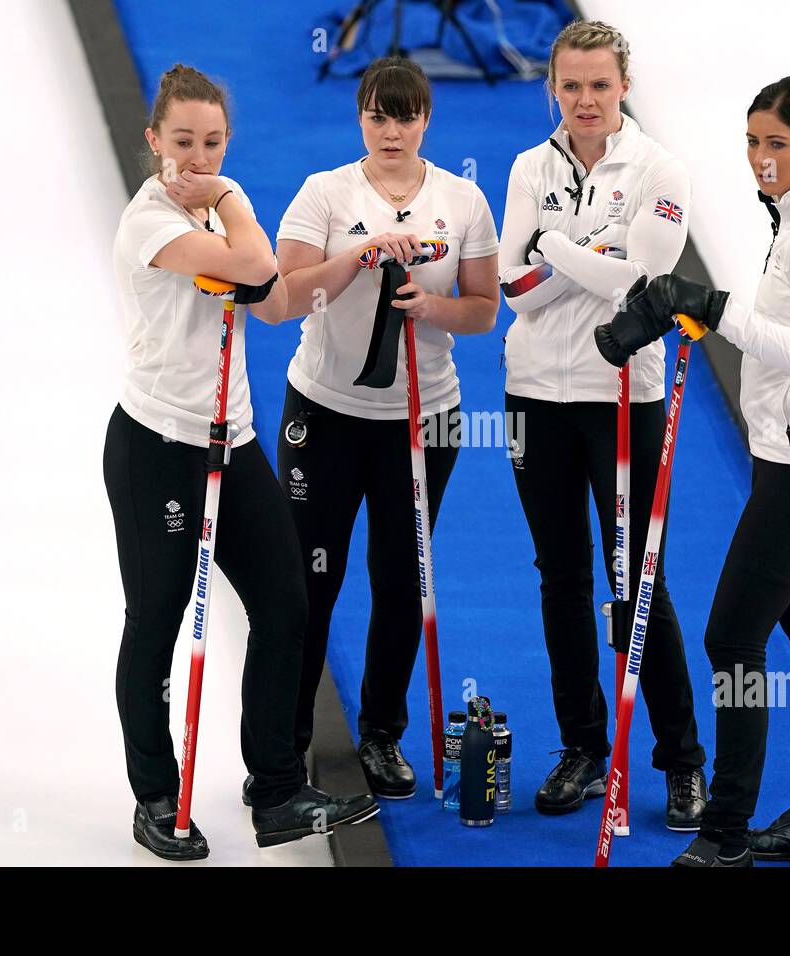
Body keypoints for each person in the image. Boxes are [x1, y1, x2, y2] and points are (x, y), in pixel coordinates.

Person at [596, 75, 790, 867]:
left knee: (733, 638)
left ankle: (725, 833)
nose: (760, 158)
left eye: (777, 145)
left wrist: (710, 303)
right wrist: (713, 305)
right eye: (753, 142)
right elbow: (782, 333)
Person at [103, 64, 377, 860]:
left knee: (286, 606)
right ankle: (155, 794)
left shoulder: (225, 210)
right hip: (158, 447)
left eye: (213, 142)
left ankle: (278, 787)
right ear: (154, 139)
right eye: (182, 141)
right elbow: (254, 268)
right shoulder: (151, 221)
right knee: (154, 626)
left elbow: (273, 299)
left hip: (236, 440)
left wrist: (350, 265)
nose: (197, 155)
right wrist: (228, 200)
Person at [498, 20, 709, 828]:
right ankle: (584, 747)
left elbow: (647, 285)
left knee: (636, 582)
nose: (584, 100)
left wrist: (551, 244)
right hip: (533, 396)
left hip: (625, 395)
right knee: (561, 576)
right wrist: (592, 245)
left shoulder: (660, 168)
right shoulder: (527, 166)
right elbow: (515, 291)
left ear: (624, 85)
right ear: (552, 86)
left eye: (599, 84)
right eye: (570, 85)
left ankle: (682, 762)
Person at [274, 57, 500, 798]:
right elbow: (286, 293)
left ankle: (381, 734)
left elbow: (483, 309)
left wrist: (428, 310)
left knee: (402, 578)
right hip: (326, 413)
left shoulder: (462, 200)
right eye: (378, 115)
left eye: (404, 116)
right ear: (360, 118)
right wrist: (360, 256)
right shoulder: (325, 193)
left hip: (422, 419)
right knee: (311, 577)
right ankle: (286, 738)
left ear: (426, 119)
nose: (391, 130)